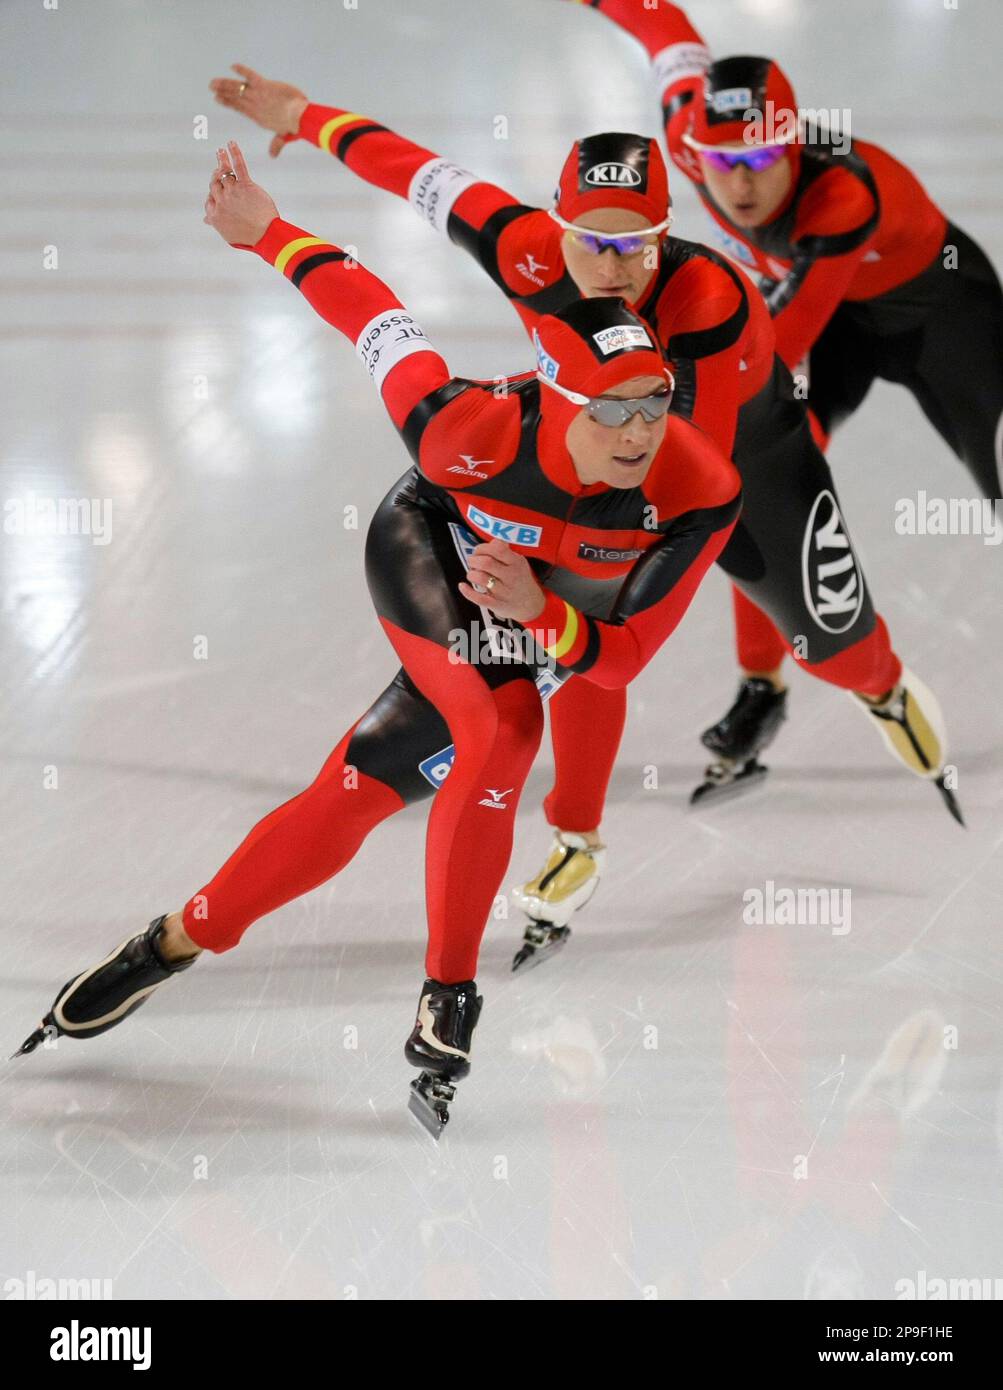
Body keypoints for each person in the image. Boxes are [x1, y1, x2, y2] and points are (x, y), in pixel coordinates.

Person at [16, 142, 742, 1136]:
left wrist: (542, 611)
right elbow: (377, 314)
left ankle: (176, 939)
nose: (640, 432)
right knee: (496, 729)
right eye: (612, 409)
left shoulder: (698, 487)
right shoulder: (465, 431)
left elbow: (617, 660)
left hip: (523, 602)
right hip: (428, 548)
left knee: (360, 788)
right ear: (559, 400)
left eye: (654, 404)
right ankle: (449, 997)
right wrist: (266, 230)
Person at [206, 68, 959, 963]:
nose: (612, 267)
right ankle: (577, 836)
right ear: (554, 229)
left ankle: (876, 680)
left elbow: (692, 478)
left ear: (665, 234)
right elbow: (414, 171)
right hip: (613, 436)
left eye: (636, 246)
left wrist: (564, 599)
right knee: (575, 621)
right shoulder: (519, 242)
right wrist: (302, 116)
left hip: (731, 455)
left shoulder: (705, 302)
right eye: (591, 245)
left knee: (822, 645)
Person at [570, 0, 1003, 710]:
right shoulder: (685, 126)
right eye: (721, 163)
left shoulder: (839, 195)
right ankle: (760, 683)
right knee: (758, 470)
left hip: (937, 309)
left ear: (795, 145)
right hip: (825, 310)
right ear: (691, 149)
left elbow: (787, 340)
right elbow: (663, 27)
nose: (738, 186)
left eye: (762, 159)